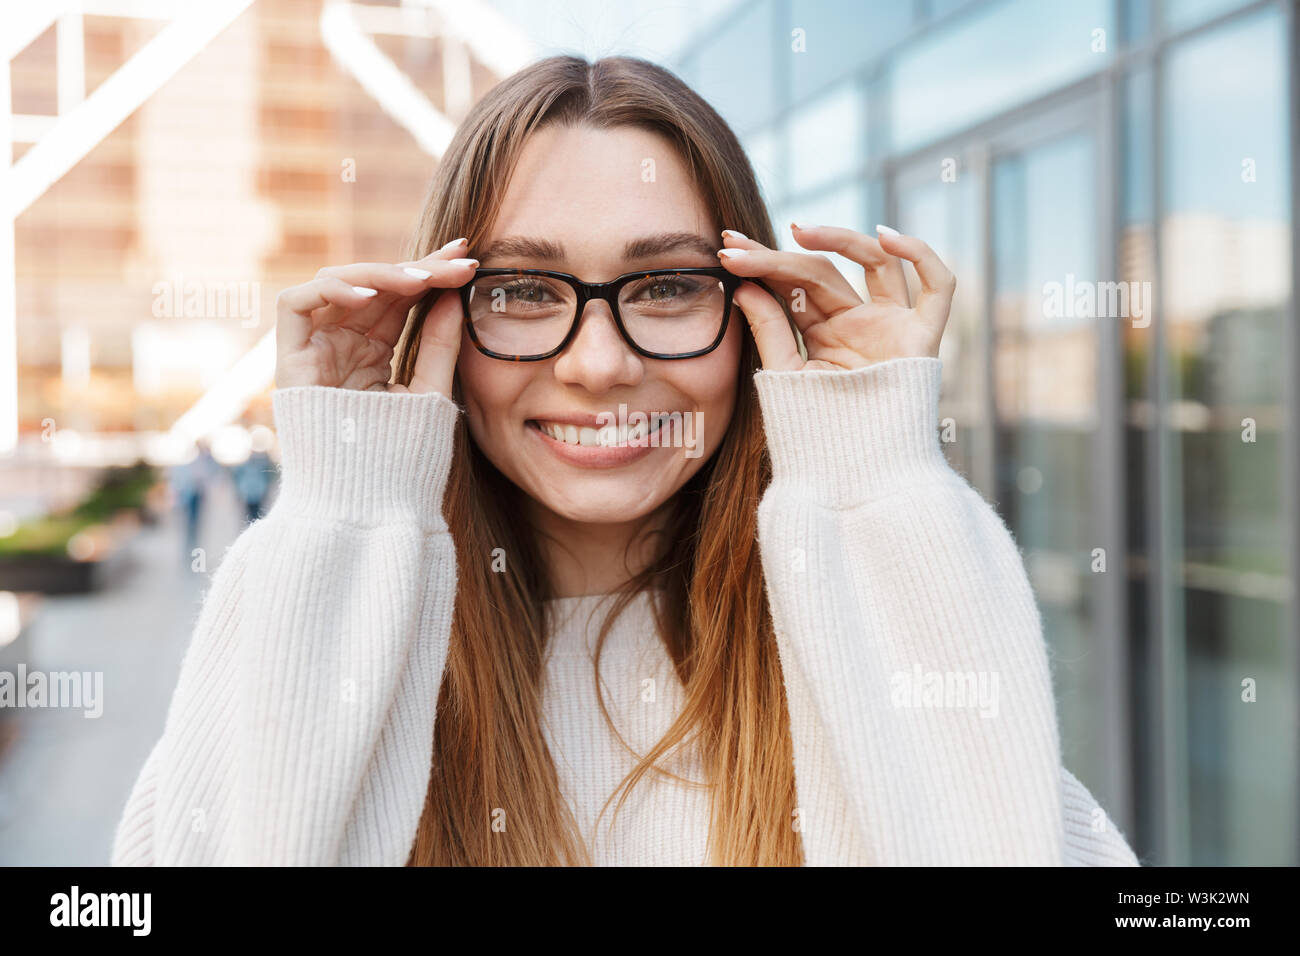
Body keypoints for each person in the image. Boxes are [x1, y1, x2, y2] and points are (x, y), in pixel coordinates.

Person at [111, 55, 1139, 866]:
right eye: (520, 291)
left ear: (754, 316)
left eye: (663, 288)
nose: (597, 364)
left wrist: (878, 486)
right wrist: (344, 511)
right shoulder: (338, 627)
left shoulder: (850, 636)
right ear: (437, 327)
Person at [166, 438, 218, 560]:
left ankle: (193, 552)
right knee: (189, 527)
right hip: (188, 496)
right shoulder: (188, 462)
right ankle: (190, 553)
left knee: (194, 526)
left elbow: (210, 473)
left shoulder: (203, 460)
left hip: (196, 496)